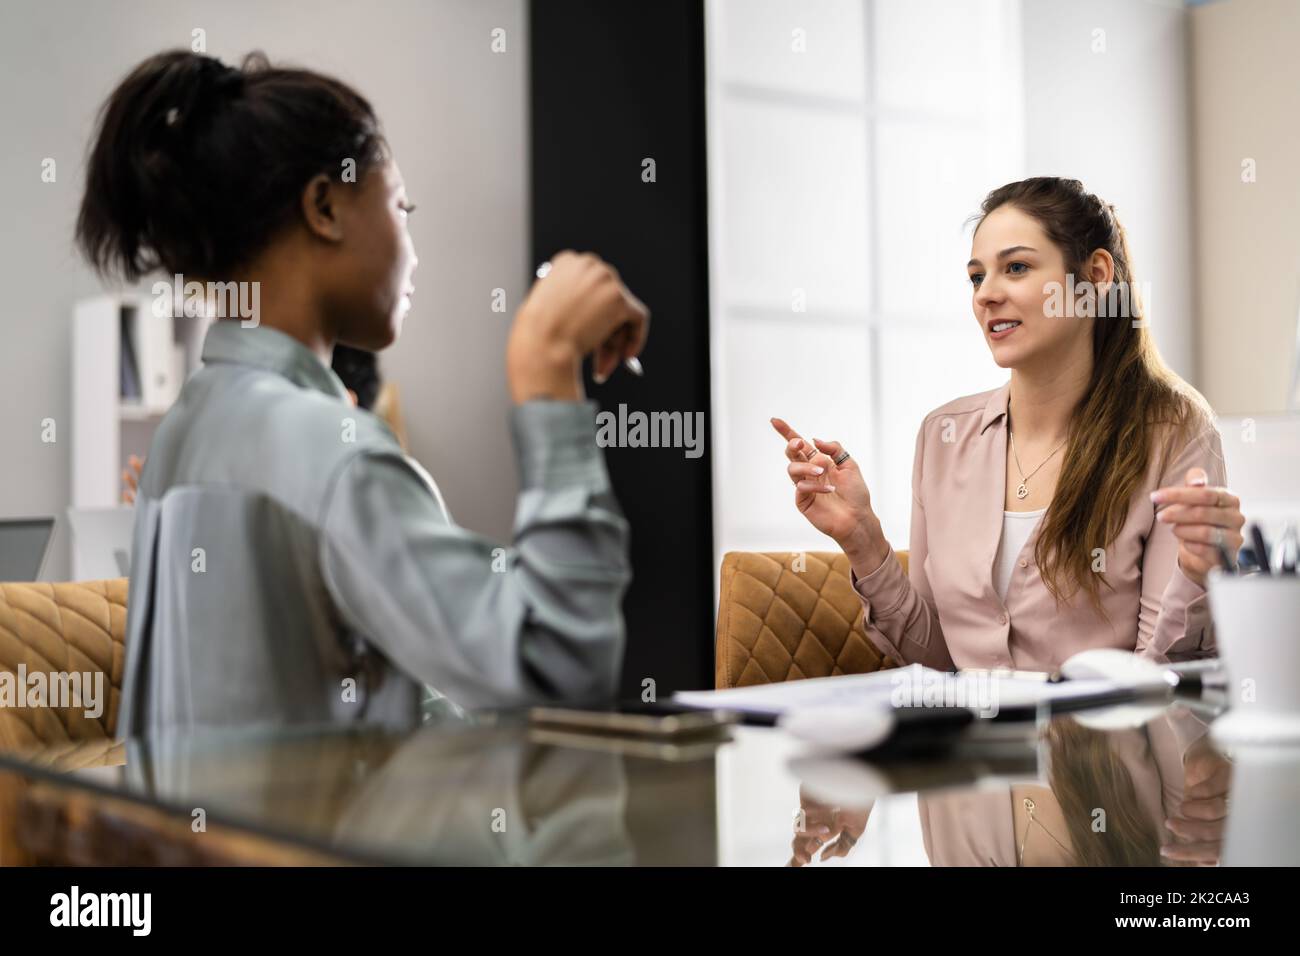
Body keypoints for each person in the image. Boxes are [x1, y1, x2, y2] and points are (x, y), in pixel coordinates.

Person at [77, 50, 648, 735]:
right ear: (325, 206)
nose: (414, 251)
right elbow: (559, 671)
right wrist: (547, 367)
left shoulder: (183, 431)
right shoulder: (328, 448)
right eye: (400, 206)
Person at [773, 177, 1244, 671]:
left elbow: (1160, 676)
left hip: (1103, 747)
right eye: (977, 277)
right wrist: (863, 538)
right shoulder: (943, 436)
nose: (986, 296)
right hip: (971, 746)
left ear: (1096, 275)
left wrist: (1198, 575)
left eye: (1016, 268)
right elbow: (937, 660)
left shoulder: (1172, 429)